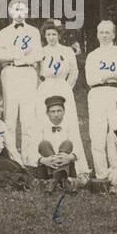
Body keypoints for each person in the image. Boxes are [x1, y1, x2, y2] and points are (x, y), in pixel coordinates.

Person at [36, 18, 88, 179]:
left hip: (63, 86)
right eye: (48, 34)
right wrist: (43, 85)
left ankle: (73, 161)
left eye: (54, 34)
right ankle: (46, 159)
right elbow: (37, 72)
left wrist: (66, 87)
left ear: (59, 35)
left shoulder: (67, 51)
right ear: (44, 36)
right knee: (43, 120)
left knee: (68, 121)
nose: (51, 37)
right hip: (46, 87)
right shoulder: (40, 51)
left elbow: (74, 72)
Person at [84, 19, 117, 177]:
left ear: (113, 35)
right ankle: (101, 174)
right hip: (96, 95)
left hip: (116, 94)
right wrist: (109, 76)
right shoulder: (92, 55)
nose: (104, 35)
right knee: (97, 135)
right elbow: (90, 80)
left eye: (107, 32)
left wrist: (102, 77)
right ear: (97, 35)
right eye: (101, 32)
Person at [0, 0, 42, 157]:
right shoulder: (3, 33)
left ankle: (29, 157)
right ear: (10, 12)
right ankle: (12, 155)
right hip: (10, 74)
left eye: (22, 10)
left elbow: (38, 55)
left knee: (28, 117)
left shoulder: (34, 32)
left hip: (27, 74)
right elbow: (0, 56)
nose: (19, 13)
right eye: (15, 10)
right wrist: (21, 54)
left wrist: (17, 57)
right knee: (9, 115)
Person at [35, 95, 85, 190]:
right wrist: (44, 160)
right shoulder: (40, 127)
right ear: (47, 113)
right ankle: (61, 180)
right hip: (47, 167)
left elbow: (78, 148)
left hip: (66, 165)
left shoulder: (69, 126)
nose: (56, 114)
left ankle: (54, 181)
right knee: (44, 144)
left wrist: (70, 158)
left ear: (64, 111)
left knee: (67, 143)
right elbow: (32, 150)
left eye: (59, 111)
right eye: (53, 111)